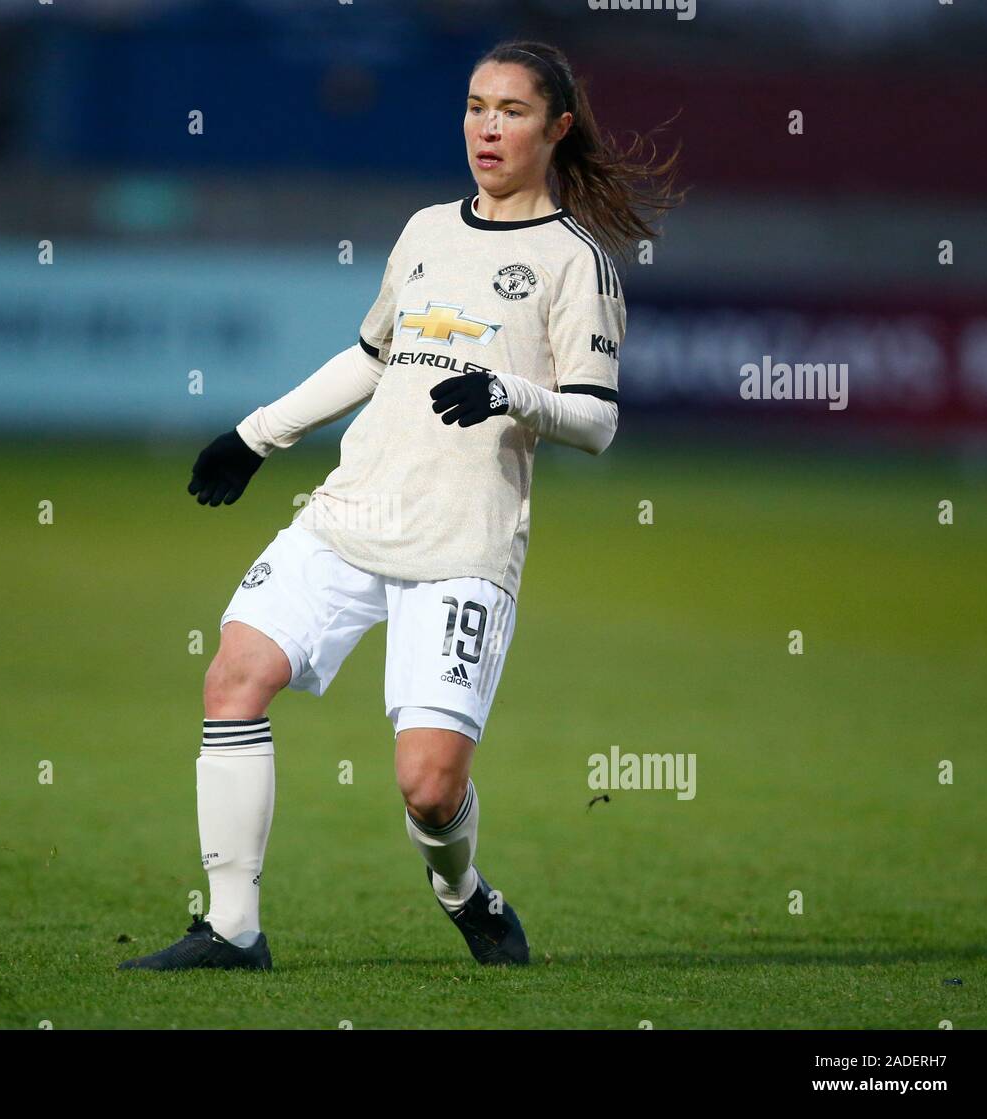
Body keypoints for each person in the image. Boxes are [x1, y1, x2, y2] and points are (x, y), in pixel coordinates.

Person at [120, 39, 683, 971]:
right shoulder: (427, 229)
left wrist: (511, 395)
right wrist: (257, 435)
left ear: (558, 128)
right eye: (474, 106)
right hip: (350, 514)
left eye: (509, 110)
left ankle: (462, 891)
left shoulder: (577, 263)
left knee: (427, 788)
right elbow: (374, 354)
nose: (486, 127)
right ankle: (231, 930)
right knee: (234, 673)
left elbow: (597, 421)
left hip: (463, 545)